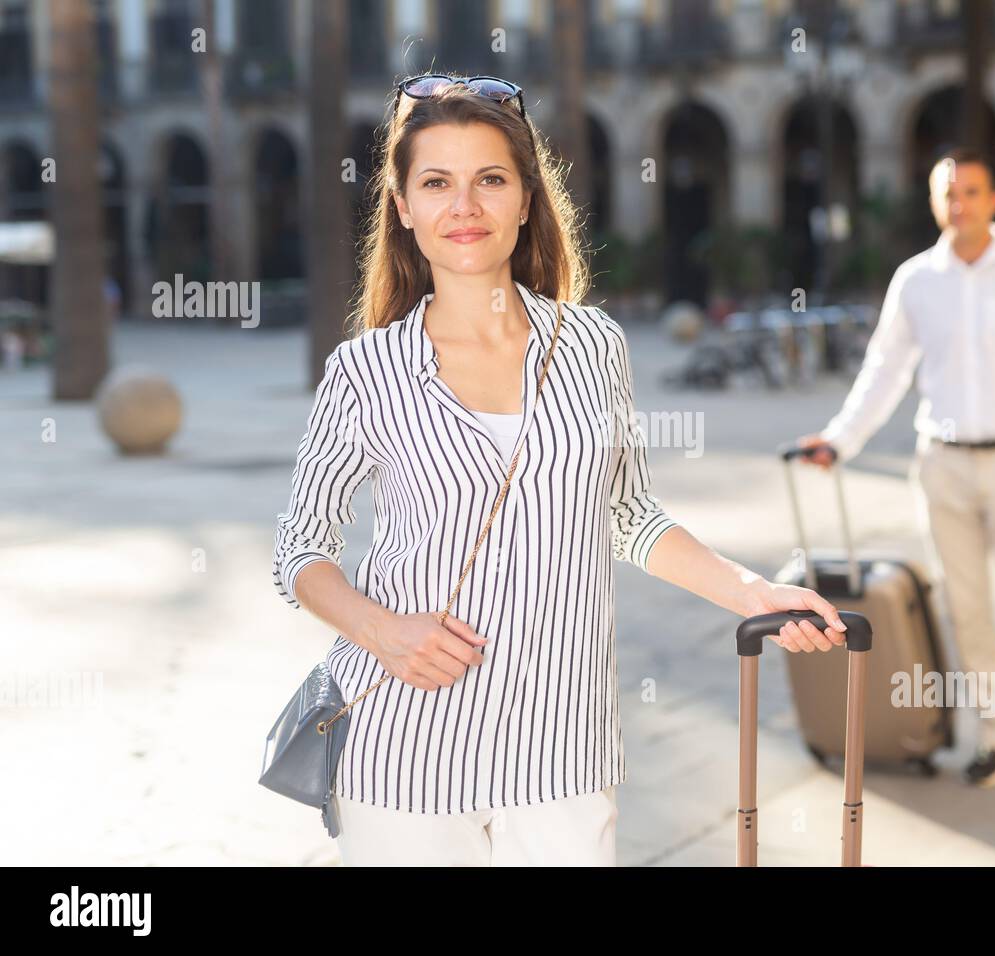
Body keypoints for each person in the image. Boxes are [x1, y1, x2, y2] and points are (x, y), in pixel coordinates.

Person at [271, 73, 851, 866]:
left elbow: (627, 516)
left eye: (490, 180)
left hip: (562, 746)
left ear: (525, 199)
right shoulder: (363, 371)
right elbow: (301, 548)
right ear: (403, 208)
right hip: (403, 742)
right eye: (436, 183)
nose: (464, 206)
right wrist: (385, 631)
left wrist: (757, 594)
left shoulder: (591, 347)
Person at [795, 148, 995, 788]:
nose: (959, 204)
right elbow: (886, 369)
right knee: (966, 610)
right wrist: (840, 439)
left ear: (994, 200)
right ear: (936, 202)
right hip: (942, 465)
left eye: (971, 192)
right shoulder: (915, 279)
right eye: (948, 193)